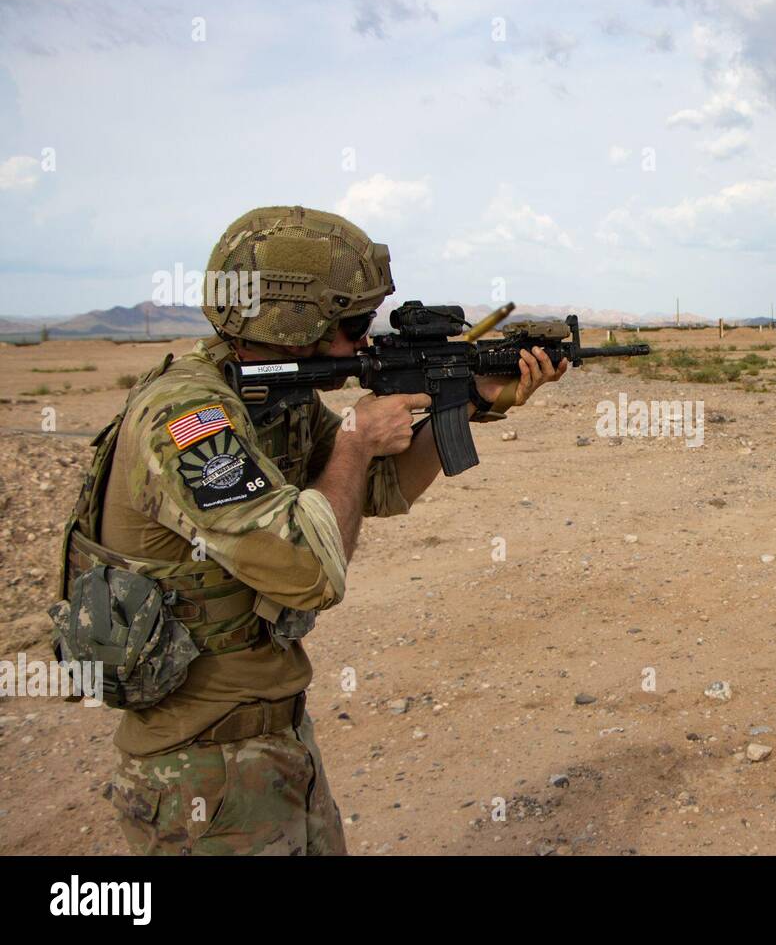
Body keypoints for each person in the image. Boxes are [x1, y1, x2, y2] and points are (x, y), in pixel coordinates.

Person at [53, 205, 566, 854]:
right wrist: (355, 438)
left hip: (273, 739)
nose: (362, 340)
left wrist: (461, 401)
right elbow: (307, 570)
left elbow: (373, 489)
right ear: (296, 321)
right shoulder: (187, 417)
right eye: (352, 324)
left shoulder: (272, 399)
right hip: (200, 772)